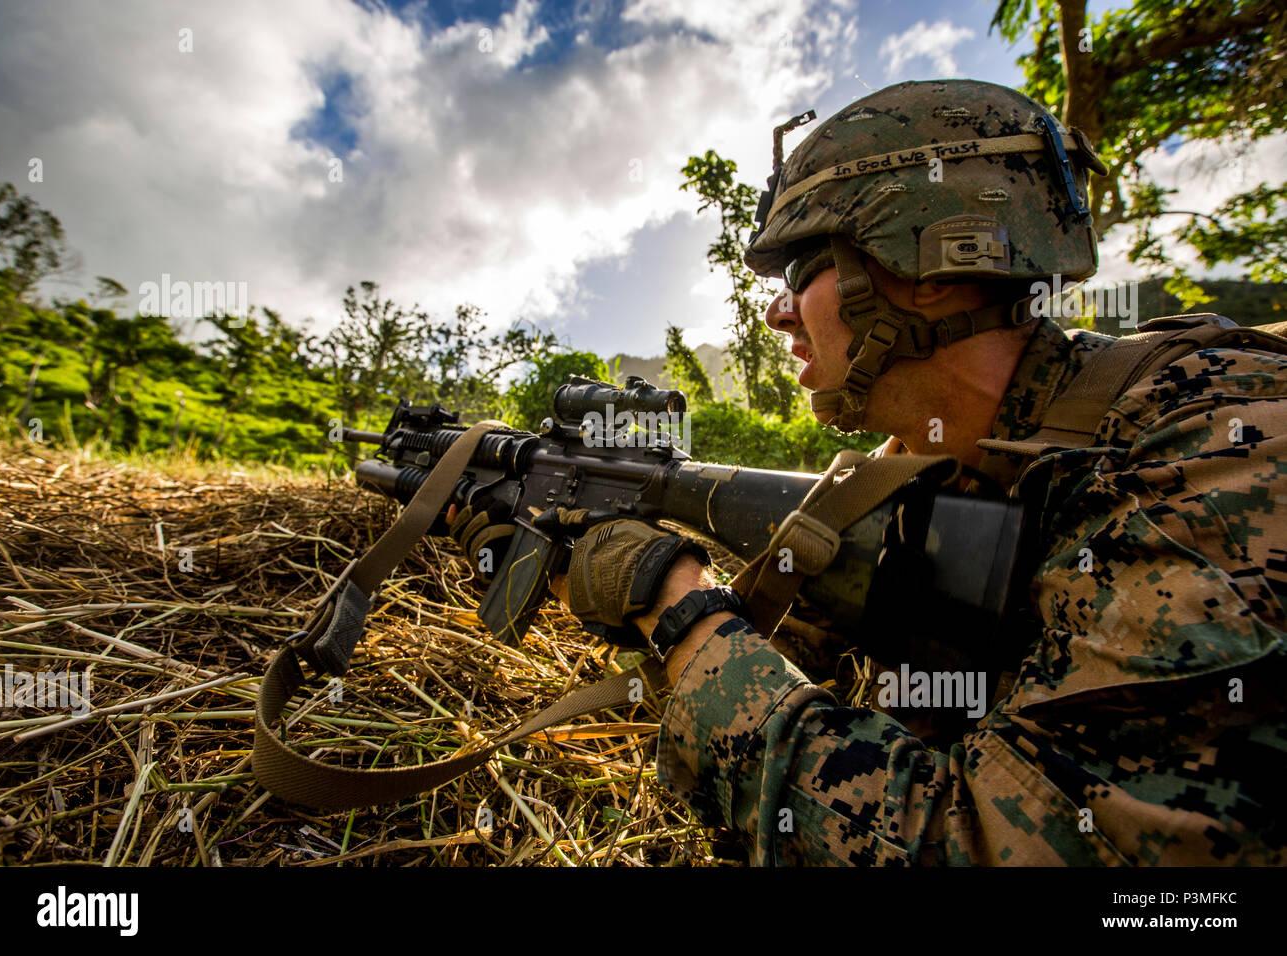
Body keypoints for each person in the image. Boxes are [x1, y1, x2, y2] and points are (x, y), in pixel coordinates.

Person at [461, 80, 1287, 864]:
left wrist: (678, 608)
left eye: (798, 273)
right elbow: (780, 660)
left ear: (928, 269)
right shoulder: (930, 467)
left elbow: (978, 845)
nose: (778, 311)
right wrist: (579, 568)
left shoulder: (1220, 455)